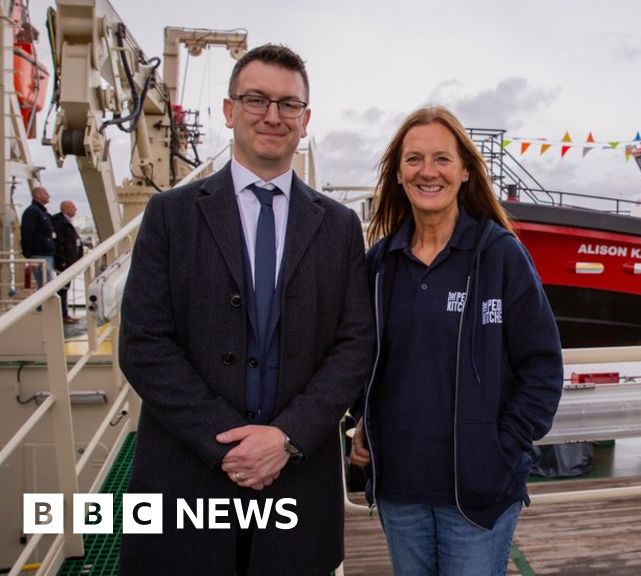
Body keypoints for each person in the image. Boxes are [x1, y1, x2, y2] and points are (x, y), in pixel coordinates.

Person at [118, 44, 374, 575]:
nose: (272, 115)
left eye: (288, 104)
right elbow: (144, 344)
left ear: (305, 120)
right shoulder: (170, 216)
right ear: (229, 110)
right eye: (257, 99)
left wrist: (287, 437)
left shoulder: (339, 226)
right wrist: (226, 443)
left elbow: (355, 345)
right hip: (186, 478)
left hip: (296, 486)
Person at [350, 106, 563, 575]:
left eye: (442, 159)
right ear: (398, 174)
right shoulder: (379, 265)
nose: (428, 171)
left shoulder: (501, 256)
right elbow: (359, 359)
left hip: (477, 493)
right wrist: (363, 419)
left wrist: (499, 451)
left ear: (465, 171)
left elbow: (543, 368)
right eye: (414, 159)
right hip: (399, 489)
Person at [52, 200, 84, 324]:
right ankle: (62, 315)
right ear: (66, 208)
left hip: (70, 262)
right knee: (62, 289)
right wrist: (62, 261)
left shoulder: (66, 222)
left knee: (64, 288)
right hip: (64, 263)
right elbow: (59, 242)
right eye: (73, 207)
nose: (76, 209)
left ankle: (63, 314)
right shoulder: (60, 222)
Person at [19, 186, 56, 290]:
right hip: (39, 255)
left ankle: (45, 301)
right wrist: (28, 254)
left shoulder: (43, 213)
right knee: (46, 286)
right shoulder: (32, 211)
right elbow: (27, 233)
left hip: (46, 254)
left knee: (47, 284)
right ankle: (44, 302)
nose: (49, 196)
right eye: (46, 194)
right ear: (38, 195)